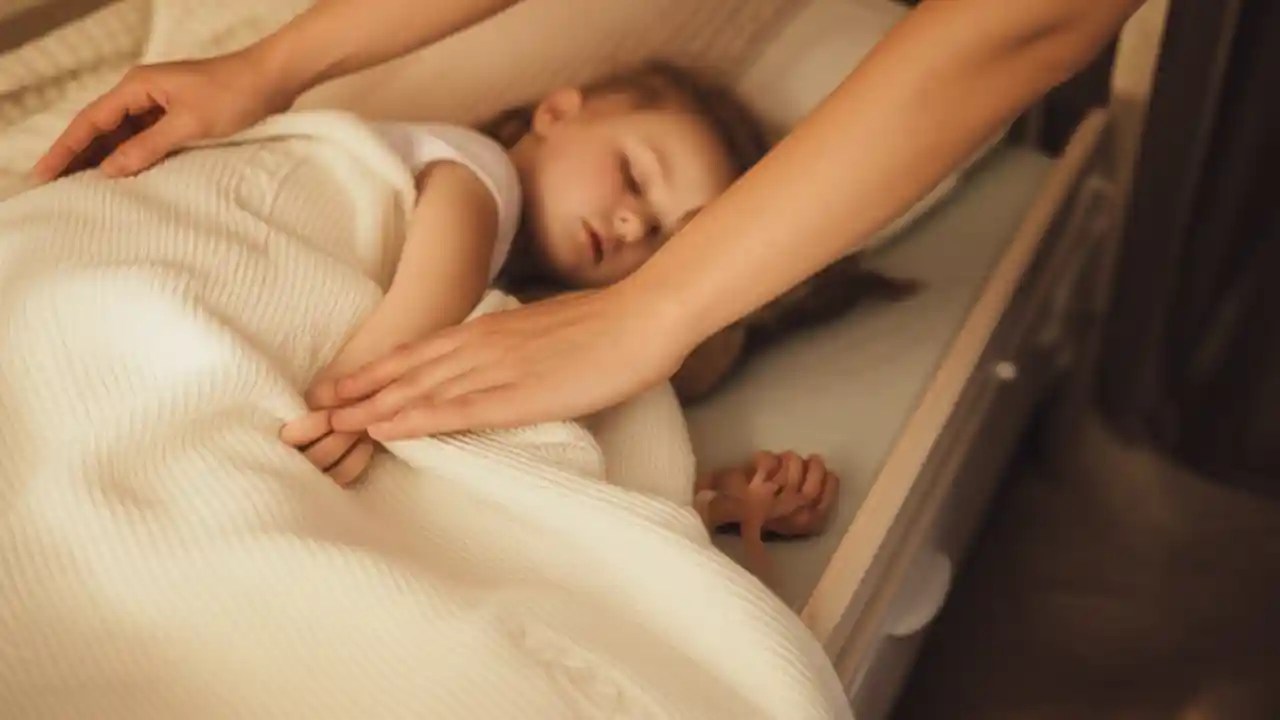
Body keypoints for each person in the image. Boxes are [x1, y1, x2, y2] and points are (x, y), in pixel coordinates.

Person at [33, 0, 1146, 442]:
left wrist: (659, 336)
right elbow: (433, 291)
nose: (628, 215)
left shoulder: (543, 311)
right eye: (639, 170)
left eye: (665, 227)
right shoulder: (464, 168)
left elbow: (1030, 22)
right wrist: (367, 383)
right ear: (556, 114)